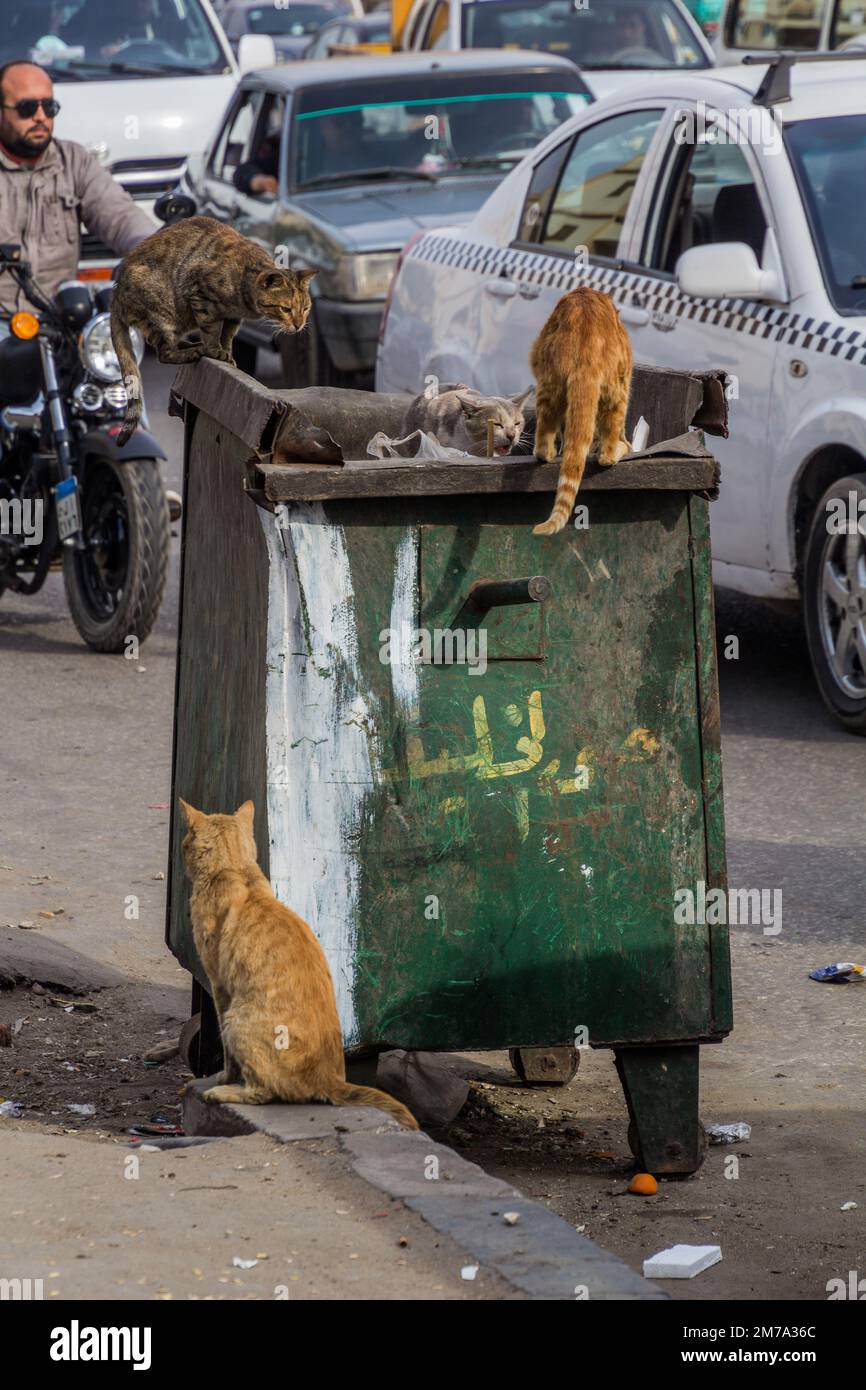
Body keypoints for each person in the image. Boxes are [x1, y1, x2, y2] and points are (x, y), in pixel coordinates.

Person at [0, 59, 156, 314]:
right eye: (27, 107)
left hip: (59, 320)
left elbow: (119, 213)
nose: (40, 116)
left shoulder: (74, 161)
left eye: (49, 107)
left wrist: (155, 252)